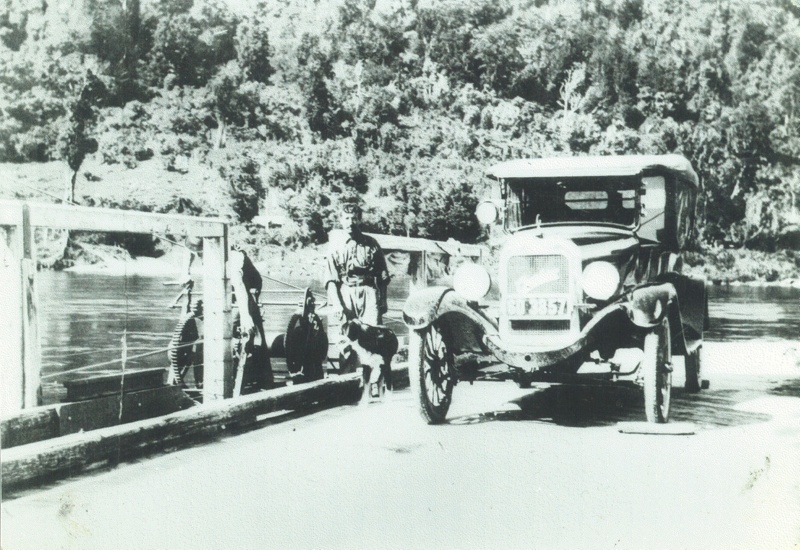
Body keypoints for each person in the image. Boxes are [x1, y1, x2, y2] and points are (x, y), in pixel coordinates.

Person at [181, 237, 272, 394]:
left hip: (248, 287)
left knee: (249, 328)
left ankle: (262, 381)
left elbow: (239, 285)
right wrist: (185, 273)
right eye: (199, 253)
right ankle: (203, 385)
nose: (200, 256)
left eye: (202, 253)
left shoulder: (233, 259)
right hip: (224, 288)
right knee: (205, 337)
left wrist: (246, 316)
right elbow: (189, 252)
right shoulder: (201, 248)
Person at [323, 203, 390, 373]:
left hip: (369, 292)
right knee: (347, 336)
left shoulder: (371, 243)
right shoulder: (335, 246)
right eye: (346, 218)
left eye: (354, 218)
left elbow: (382, 275)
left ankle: (374, 381)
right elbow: (331, 280)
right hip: (346, 293)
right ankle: (348, 381)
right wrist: (337, 305)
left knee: (373, 336)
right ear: (341, 220)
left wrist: (383, 300)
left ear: (359, 220)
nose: (350, 222)